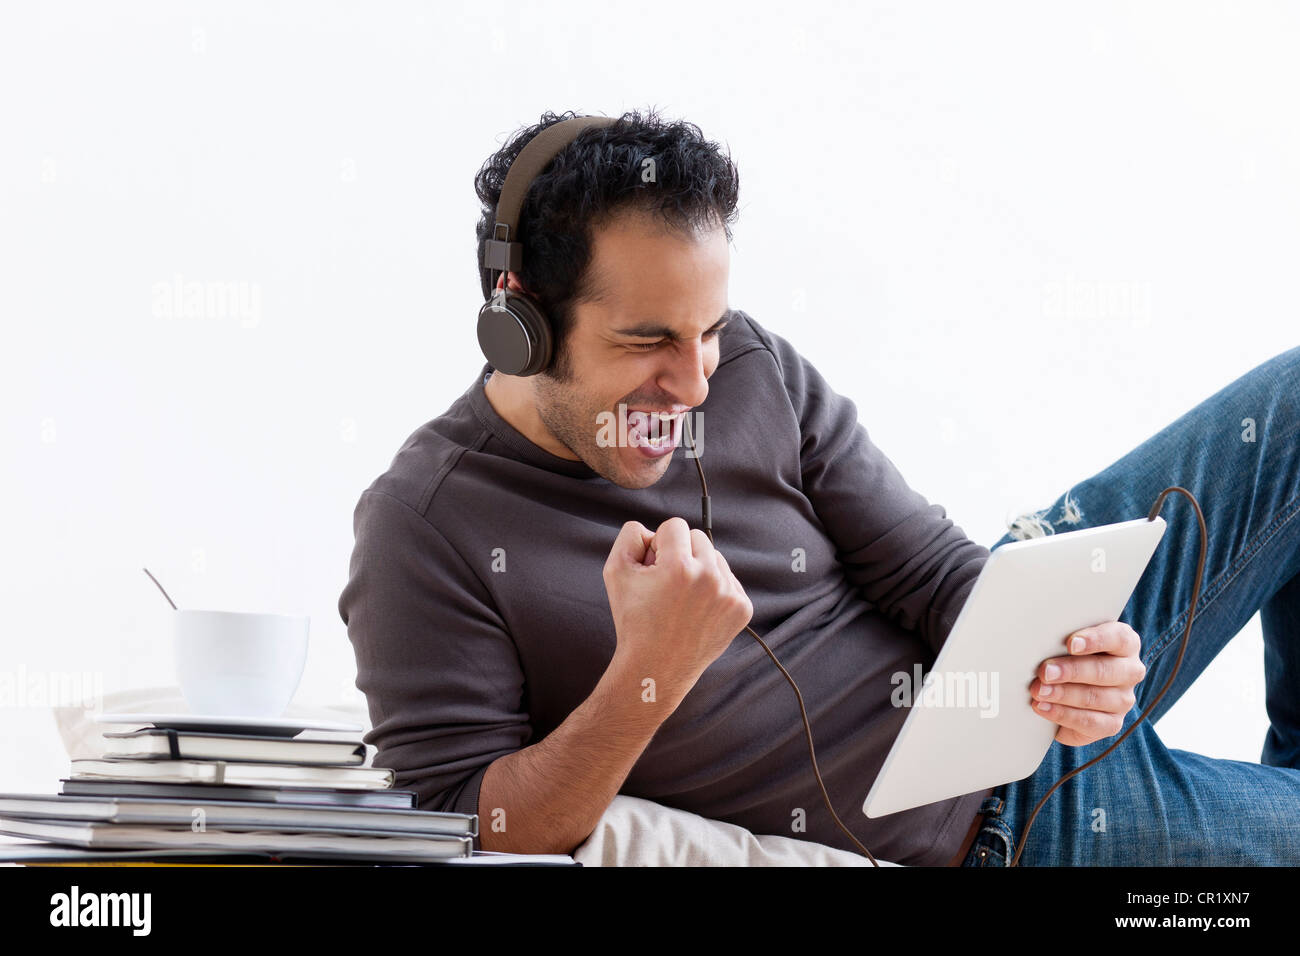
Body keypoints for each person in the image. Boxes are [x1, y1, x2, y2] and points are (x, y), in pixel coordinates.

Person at [338, 108, 1300, 866]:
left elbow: (926, 569)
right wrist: (652, 674)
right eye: (647, 343)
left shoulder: (752, 364)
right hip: (999, 822)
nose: (698, 380)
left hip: (1010, 679)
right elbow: (467, 825)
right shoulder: (425, 530)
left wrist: (1072, 655)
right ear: (522, 325)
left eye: (707, 330)